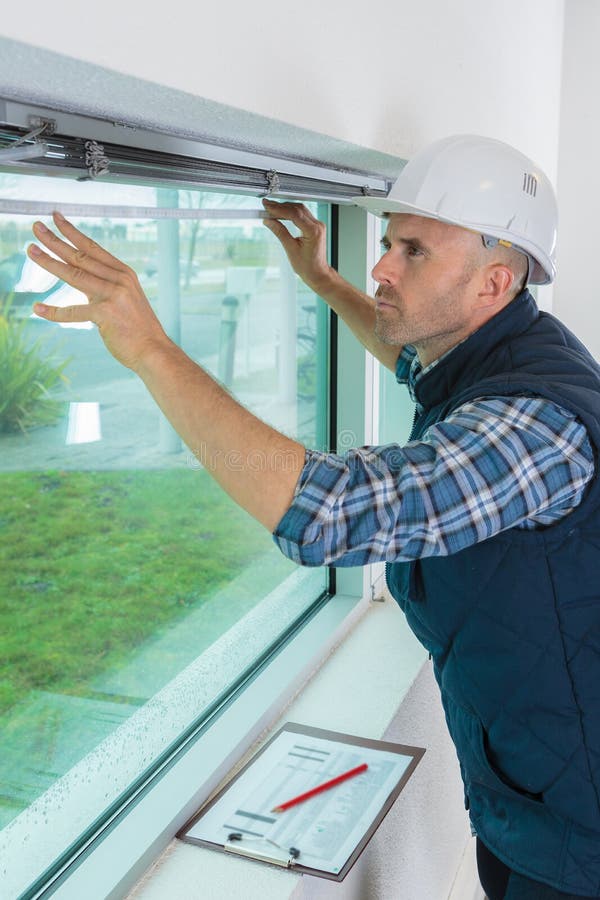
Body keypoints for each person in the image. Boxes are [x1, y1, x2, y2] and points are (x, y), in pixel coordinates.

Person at [27, 134, 600, 900]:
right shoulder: (502, 347)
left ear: (493, 282)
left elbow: (333, 514)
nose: (384, 267)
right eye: (389, 241)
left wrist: (152, 350)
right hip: (531, 793)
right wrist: (323, 280)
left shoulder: (536, 424)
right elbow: (409, 355)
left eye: (414, 251)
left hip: (577, 832)